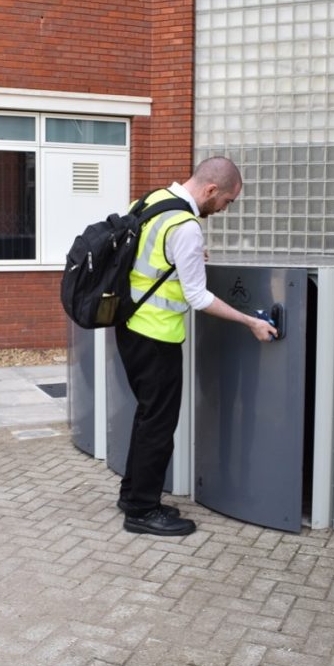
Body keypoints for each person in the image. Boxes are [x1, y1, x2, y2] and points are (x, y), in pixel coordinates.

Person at [116, 156, 277, 536]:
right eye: (227, 201)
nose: (224, 209)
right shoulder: (185, 226)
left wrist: (185, 260)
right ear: (210, 190)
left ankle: (132, 494)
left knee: (146, 418)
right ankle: (141, 511)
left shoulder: (149, 202)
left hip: (129, 328)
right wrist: (249, 321)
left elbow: (145, 260)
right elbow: (198, 297)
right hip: (157, 337)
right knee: (158, 425)